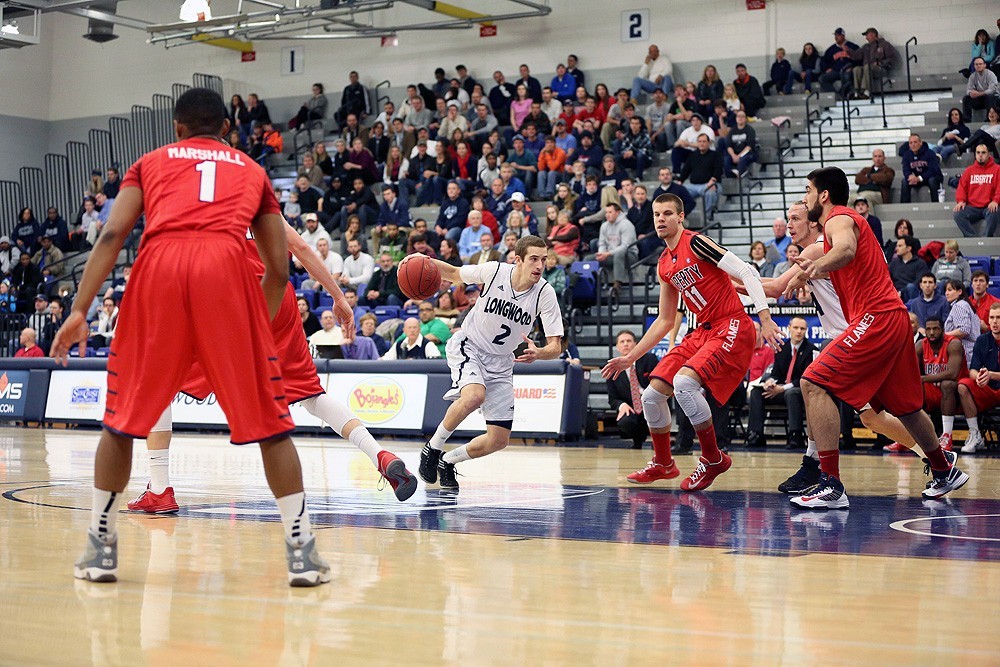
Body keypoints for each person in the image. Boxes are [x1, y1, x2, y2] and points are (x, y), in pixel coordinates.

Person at [51, 88, 332, 586]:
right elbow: (277, 268)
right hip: (223, 271)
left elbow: (113, 236)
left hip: (158, 269)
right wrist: (256, 328)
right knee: (272, 425)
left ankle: (101, 547)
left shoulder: (150, 161)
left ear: (177, 128)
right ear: (225, 128)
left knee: (120, 422)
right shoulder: (251, 169)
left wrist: (79, 310)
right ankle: (302, 552)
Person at [789, 166, 968, 508]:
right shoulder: (832, 228)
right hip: (894, 319)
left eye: (808, 190)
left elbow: (846, 249)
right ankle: (945, 470)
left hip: (877, 318)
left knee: (812, 382)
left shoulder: (837, 219)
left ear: (823, 195)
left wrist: (818, 264)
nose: (806, 197)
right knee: (907, 408)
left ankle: (831, 484)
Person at [602, 193, 781, 489]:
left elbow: (746, 271)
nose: (660, 219)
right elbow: (665, 320)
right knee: (651, 396)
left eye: (667, 213)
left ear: (681, 217)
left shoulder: (697, 242)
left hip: (731, 323)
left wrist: (765, 317)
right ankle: (663, 462)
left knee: (684, 385)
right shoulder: (663, 265)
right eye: (657, 214)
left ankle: (713, 458)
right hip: (701, 332)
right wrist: (630, 357)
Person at [414, 236, 564, 491]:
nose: (540, 265)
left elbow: (555, 347)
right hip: (470, 345)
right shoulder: (494, 271)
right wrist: (420, 261)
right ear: (518, 260)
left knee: (498, 440)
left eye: (543, 259)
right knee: (474, 396)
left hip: (502, 362)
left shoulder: (545, 293)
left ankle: (448, 461)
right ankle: (433, 447)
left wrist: (539, 353)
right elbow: (453, 272)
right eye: (534, 259)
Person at [745, 317, 814, 449]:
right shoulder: (782, 348)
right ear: (789, 328)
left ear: (806, 331)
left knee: (792, 393)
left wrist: (782, 389)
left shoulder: (810, 350)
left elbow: (805, 379)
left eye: (802, 328)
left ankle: (795, 435)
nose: (799, 331)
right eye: (796, 328)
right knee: (757, 392)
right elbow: (776, 373)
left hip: (798, 391)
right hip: (780, 389)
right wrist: (770, 382)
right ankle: (756, 434)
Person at [910, 316, 969, 453]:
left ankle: (947, 436)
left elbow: (953, 374)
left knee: (947, 384)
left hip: (955, 395)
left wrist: (923, 379)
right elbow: (911, 371)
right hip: (931, 391)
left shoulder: (953, 344)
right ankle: (909, 437)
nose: (931, 333)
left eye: (935, 329)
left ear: (943, 330)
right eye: (929, 329)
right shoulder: (920, 345)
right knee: (910, 388)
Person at [955, 302, 1000, 453]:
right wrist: (980, 376)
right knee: (962, 385)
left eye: (998, 318)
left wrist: (991, 375)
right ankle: (975, 434)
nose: (994, 321)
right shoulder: (982, 340)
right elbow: (973, 370)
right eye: (992, 317)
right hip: (986, 388)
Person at [607, 330, 659, 449]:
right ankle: (638, 440)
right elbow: (613, 398)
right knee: (625, 422)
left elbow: (659, 384)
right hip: (632, 407)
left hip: (651, 403)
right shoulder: (612, 368)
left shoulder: (649, 359)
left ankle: (658, 442)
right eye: (622, 342)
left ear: (636, 344)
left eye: (629, 341)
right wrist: (622, 405)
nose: (626, 344)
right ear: (617, 347)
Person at [953, 143, 1000, 237]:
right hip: (973, 207)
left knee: (994, 211)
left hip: (989, 206)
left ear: (988, 154)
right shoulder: (969, 171)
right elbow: (962, 187)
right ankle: (972, 238)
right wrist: (961, 200)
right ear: (975, 154)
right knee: (958, 214)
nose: (980, 155)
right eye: (978, 153)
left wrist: (996, 201)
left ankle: (987, 238)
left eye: (983, 152)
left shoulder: (997, 169)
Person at [593, 202, 637, 295]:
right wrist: (602, 253)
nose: (607, 215)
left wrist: (608, 254)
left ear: (617, 212)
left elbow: (625, 246)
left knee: (618, 254)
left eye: (610, 212)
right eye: (606, 212)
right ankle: (592, 285)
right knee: (588, 259)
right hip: (610, 255)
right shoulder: (604, 226)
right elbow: (602, 243)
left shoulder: (626, 225)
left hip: (630, 256)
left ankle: (617, 285)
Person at [676, 135, 722, 217]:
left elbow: (718, 170)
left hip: (708, 185)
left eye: (704, 141)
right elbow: (686, 170)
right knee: (678, 191)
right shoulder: (693, 155)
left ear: (708, 143)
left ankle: (707, 217)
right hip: (693, 186)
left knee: (710, 192)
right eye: (700, 141)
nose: (702, 144)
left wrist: (713, 181)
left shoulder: (715, 155)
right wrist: (680, 181)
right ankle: (683, 217)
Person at [849, 27, 897, 100]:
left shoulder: (885, 44)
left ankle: (867, 92)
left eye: (867, 35)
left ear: (873, 35)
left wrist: (880, 63)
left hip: (881, 69)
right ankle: (857, 92)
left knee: (867, 67)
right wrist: (848, 50)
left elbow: (892, 58)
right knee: (857, 69)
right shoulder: (866, 47)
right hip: (868, 68)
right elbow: (856, 56)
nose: (866, 38)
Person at [943, 278, 978, 365]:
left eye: (950, 290)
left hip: (965, 354)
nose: (946, 293)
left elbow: (964, 329)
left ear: (959, 292)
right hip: (972, 352)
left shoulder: (959, 305)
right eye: (946, 290)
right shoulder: (965, 304)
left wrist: (944, 336)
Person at [900, 133, 943, 203]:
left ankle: (935, 203)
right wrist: (910, 176)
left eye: (915, 142)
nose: (913, 145)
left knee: (932, 180)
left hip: (930, 177)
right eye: (911, 143)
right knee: (904, 181)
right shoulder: (907, 155)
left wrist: (919, 178)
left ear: (920, 143)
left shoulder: (930, 153)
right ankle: (905, 206)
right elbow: (905, 169)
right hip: (915, 178)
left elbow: (933, 170)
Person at [819, 28, 859, 95]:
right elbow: (823, 61)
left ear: (843, 36)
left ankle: (843, 95)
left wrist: (852, 67)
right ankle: (836, 95)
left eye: (838, 35)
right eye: (835, 35)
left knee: (847, 77)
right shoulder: (831, 49)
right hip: (835, 71)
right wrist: (827, 68)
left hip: (847, 71)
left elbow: (859, 58)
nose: (836, 37)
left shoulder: (853, 46)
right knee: (822, 79)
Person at [889, 235, 929, 301]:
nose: (896, 248)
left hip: (911, 293)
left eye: (900, 246)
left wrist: (902, 291)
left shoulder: (920, 263)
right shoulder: (894, 263)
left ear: (909, 248)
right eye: (897, 246)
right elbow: (889, 279)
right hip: (896, 293)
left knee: (910, 287)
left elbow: (918, 282)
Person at [720, 110, 756, 177]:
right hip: (734, 153)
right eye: (738, 116)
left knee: (742, 160)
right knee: (726, 160)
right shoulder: (732, 131)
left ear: (745, 119)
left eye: (742, 116)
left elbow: (749, 146)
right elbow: (729, 146)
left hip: (747, 154)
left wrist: (739, 156)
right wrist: (733, 155)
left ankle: (740, 177)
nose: (740, 118)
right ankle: (730, 177)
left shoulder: (750, 130)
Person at [963, 57, 999, 122]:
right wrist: (971, 93)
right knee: (966, 98)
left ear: (984, 65)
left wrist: (979, 93)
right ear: (974, 66)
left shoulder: (990, 74)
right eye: (976, 64)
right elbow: (968, 89)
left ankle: (989, 118)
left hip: (992, 99)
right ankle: (967, 119)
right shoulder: (972, 76)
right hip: (979, 99)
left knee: (990, 96)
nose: (978, 66)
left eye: (980, 64)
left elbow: (992, 90)